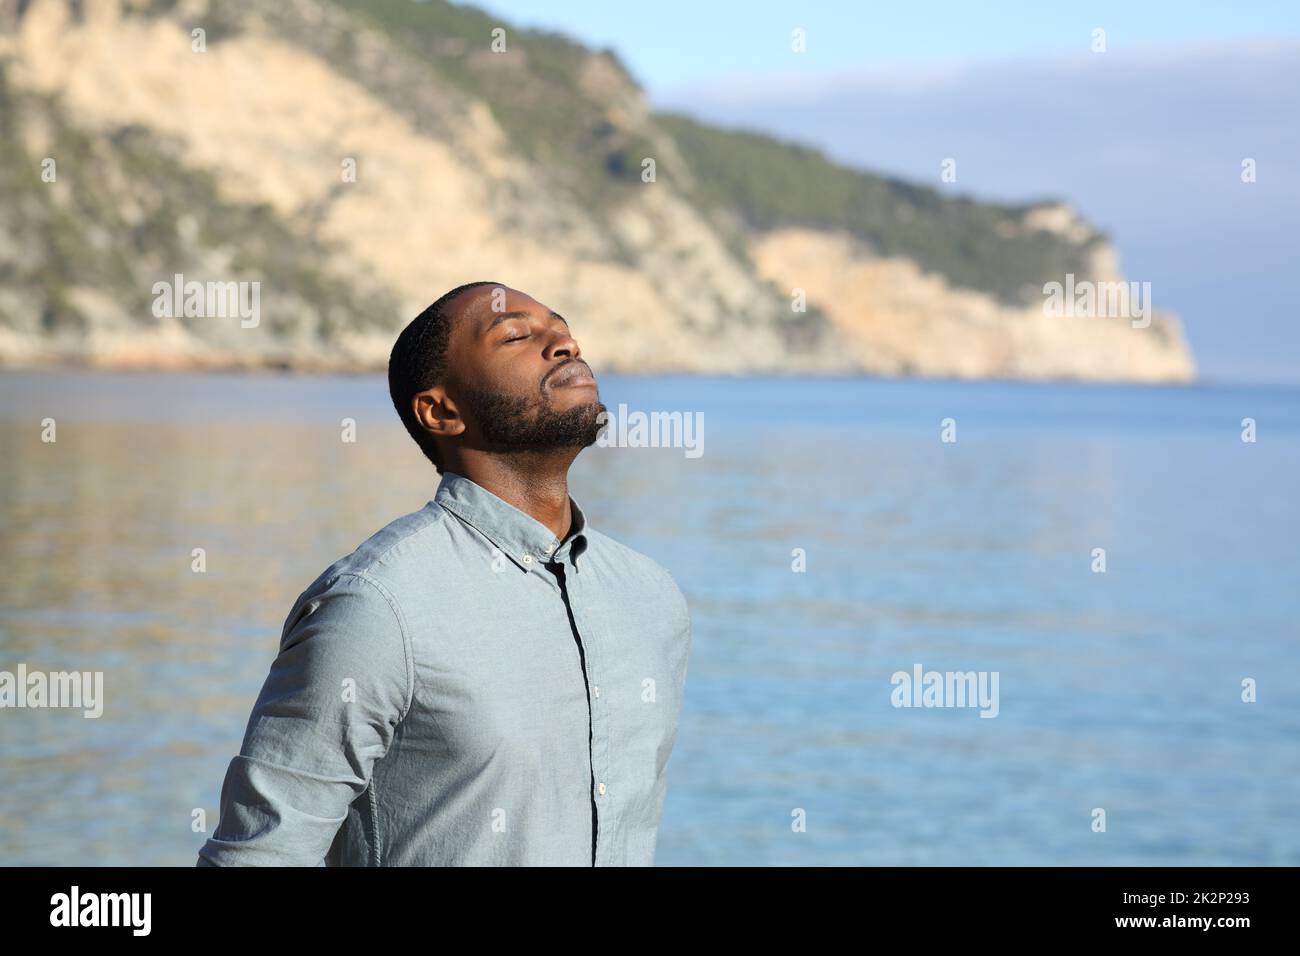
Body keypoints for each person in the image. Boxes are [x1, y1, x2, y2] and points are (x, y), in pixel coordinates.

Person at [196, 281, 692, 866]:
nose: (564, 342)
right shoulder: (376, 605)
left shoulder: (649, 596)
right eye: (516, 335)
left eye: (561, 326)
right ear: (441, 411)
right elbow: (261, 857)